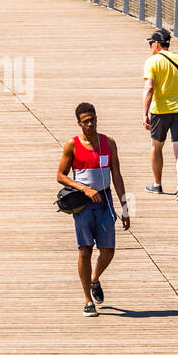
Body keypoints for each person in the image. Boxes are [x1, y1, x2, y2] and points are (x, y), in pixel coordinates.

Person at [57, 102, 129, 317]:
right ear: (78, 123)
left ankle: (94, 278)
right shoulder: (73, 145)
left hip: (105, 199)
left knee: (108, 251)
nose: (90, 124)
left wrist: (125, 207)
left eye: (93, 119)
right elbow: (60, 175)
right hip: (83, 203)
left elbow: (116, 175)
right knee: (85, 249)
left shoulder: (108, 143)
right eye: (85, 121)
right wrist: (84, 189)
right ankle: (88, 300)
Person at [142, 28, 178, 202]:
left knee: (156, 146)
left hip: (160, 111)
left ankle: (157, 184)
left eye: (151, 43)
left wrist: (144, 113)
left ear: (157, 44)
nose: (150, 46)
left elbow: (149, 88)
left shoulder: (152, 62)